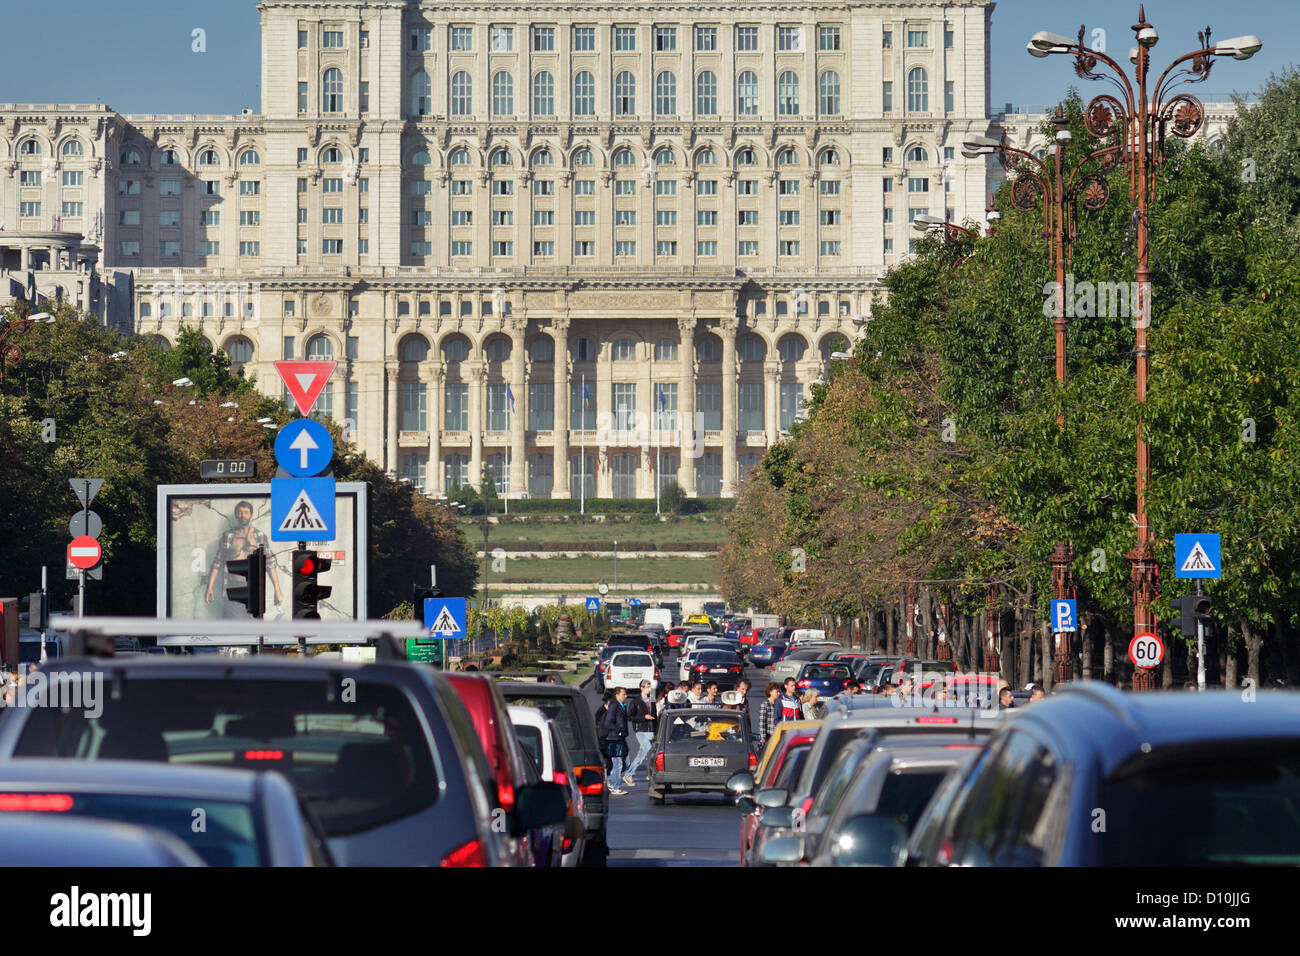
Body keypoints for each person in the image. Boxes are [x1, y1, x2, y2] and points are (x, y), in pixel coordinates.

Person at [203, 500, 284, 615]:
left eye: (246, 512)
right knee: (233, 626)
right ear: (236, 515)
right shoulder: (228, 536)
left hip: (253, 589)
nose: (243, 516)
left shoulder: (259, 536)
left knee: (253, 627)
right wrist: (209, 587)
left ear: (251, 514)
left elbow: (269, 563)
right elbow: (218, 562)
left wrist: (277, 589)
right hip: (232, 587)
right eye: (240, 512)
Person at [624, 680, 656, 783]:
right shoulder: (635, 701)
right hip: (640, 730)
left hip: (651, 729)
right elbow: (630, 717)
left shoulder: (652, 699)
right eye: (647, 687)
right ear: (641, 688)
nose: (649, 689)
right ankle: (652, 773)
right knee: (650, 751)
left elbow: (655, 714)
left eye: (650, 686)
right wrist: (644, 717)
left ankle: (628, 774)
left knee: (641, 755)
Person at [603, 686, 630, 795]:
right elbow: (608, 722)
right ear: (617, 695)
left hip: (621, 738)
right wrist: (618, 730)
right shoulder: (614, 705)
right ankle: (615, 786)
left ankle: (609, 779)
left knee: (624, 762)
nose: (626, 696)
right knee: (617, 762)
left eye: (626, 694)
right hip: (614, 738)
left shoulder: (621, 705)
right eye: (623, 694)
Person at [758, 682, 781, 750]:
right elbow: (762, 722)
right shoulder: (765, 705)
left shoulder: (779, 704)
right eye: (777, 692)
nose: (779, 693)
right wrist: (763, 738)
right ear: (770, 692)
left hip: (777, 734)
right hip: (769, 736)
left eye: (779, 692)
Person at [595, 691, 614, 772]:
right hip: (604, 737)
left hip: (603, 737)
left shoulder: (602, 711)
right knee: (607, 758)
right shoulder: (604, 713)